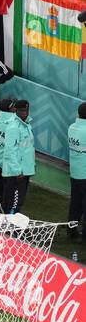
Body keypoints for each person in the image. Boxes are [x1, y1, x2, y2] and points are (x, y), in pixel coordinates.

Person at [1, 100, 35, 213]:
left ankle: (10, 226)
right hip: (16, 173)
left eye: (26, 110)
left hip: (23, 170)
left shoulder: (26, 125)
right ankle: (10, 228)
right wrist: (17, 171)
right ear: (15, 110)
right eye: (21, 110)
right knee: (14, 202)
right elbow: (9, 151)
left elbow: (27, 148)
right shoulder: (14, 127)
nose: (24, 113)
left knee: (16, 201)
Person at [0, 97, 17, 200]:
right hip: (9, 163)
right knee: (8, 191)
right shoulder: (14, 123)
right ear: (11, 109)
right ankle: (4, 213)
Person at [69, 102, 86, 239]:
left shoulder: (72, 127)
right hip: (84, 173)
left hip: (75, 172)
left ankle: (71, 230)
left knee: (75, 203)